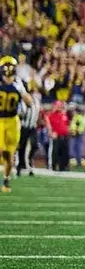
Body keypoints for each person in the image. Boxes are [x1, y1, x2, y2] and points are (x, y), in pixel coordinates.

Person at [0, 56, 33, 192]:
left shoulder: (19, 84)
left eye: (10, 67)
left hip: (13, 121)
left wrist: (22, 91)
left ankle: (6, 180)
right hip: (0, 120)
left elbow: (30, 103)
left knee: (10, 155)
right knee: (2, 151)